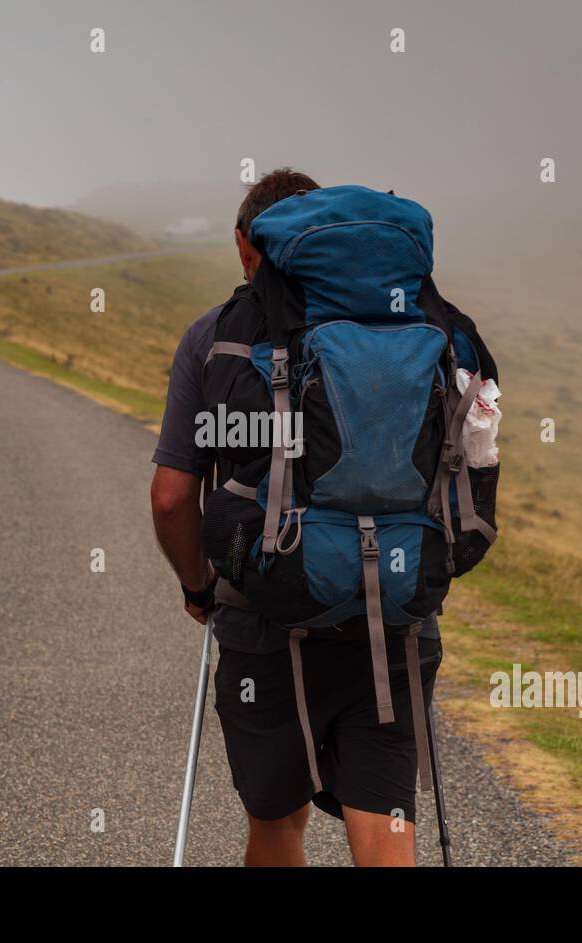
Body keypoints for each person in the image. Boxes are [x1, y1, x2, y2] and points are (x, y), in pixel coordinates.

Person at [150, 168, 444, 867]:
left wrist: (198, 585)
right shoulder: (414, 321)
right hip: (391, 612)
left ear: (247, 244)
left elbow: (170, 496)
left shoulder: (216, 334)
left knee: (277, 824)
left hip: (264, 618)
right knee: (385, 821)